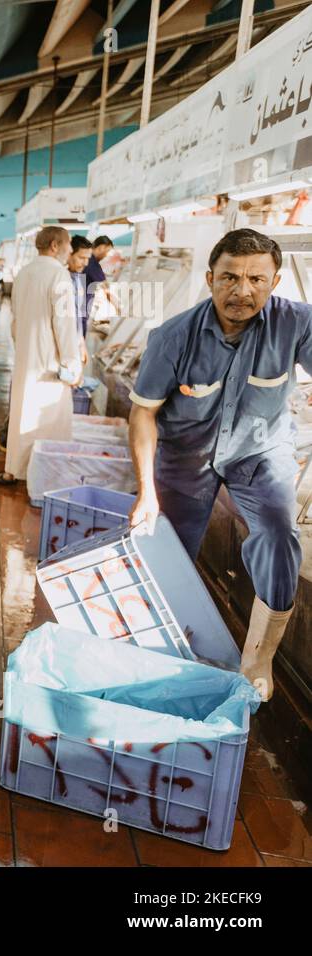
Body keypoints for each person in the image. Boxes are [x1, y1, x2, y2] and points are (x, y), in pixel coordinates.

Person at [128, 228, 312, 702]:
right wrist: (147, 491)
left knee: (279, 533)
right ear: (210, 279)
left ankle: (257, 658)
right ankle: (156, 651)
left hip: (259, 451)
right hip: (186, 456)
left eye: (256, 279)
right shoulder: (173, 337)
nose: (243, 290)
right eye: (230, 277)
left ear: (274, 282)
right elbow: (143, 412)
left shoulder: (297, 323)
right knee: (165, 548)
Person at [0, 226, 81, 486]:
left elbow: (15, 319)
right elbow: (64, 324)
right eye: (68, 246)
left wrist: (22, 346)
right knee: (48, 419)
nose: (70, 252)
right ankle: (45, 476)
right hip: (49, 362)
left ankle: (14, 468)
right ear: (55, 245)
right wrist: (71, 363)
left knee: (23, 413)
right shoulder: (60, 276)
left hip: (25, 357)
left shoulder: (23, 273)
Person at [67, 235, 94, 365]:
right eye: (81, 257)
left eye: (88, 259)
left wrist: (81, 341)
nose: (85, 263)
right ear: (69, 254)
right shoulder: (62, 278)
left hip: (75, 341)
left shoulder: (77, 277)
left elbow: (77, 315)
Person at [83, 234, 116, 318]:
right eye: (107, 251)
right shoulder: (92, 263)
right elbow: (106, 288)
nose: (106, 256)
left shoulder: (89, 260)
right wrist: (119, 308)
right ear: (101, 247)